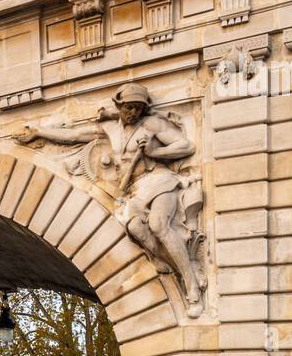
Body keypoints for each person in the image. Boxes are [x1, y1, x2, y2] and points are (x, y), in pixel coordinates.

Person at [13, 83, 205, 316]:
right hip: (134, 190)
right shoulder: (110, 129)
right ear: (119, 106)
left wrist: (156, 153)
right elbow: (74, 135)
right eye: (128, 107)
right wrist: (40, 132)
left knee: (158, 225)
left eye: (137, 108)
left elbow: (186, 144)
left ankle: (192, 286)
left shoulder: (152, 125)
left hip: (159, 180)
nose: (132, 112)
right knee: (135, 228)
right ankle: (183, 268)